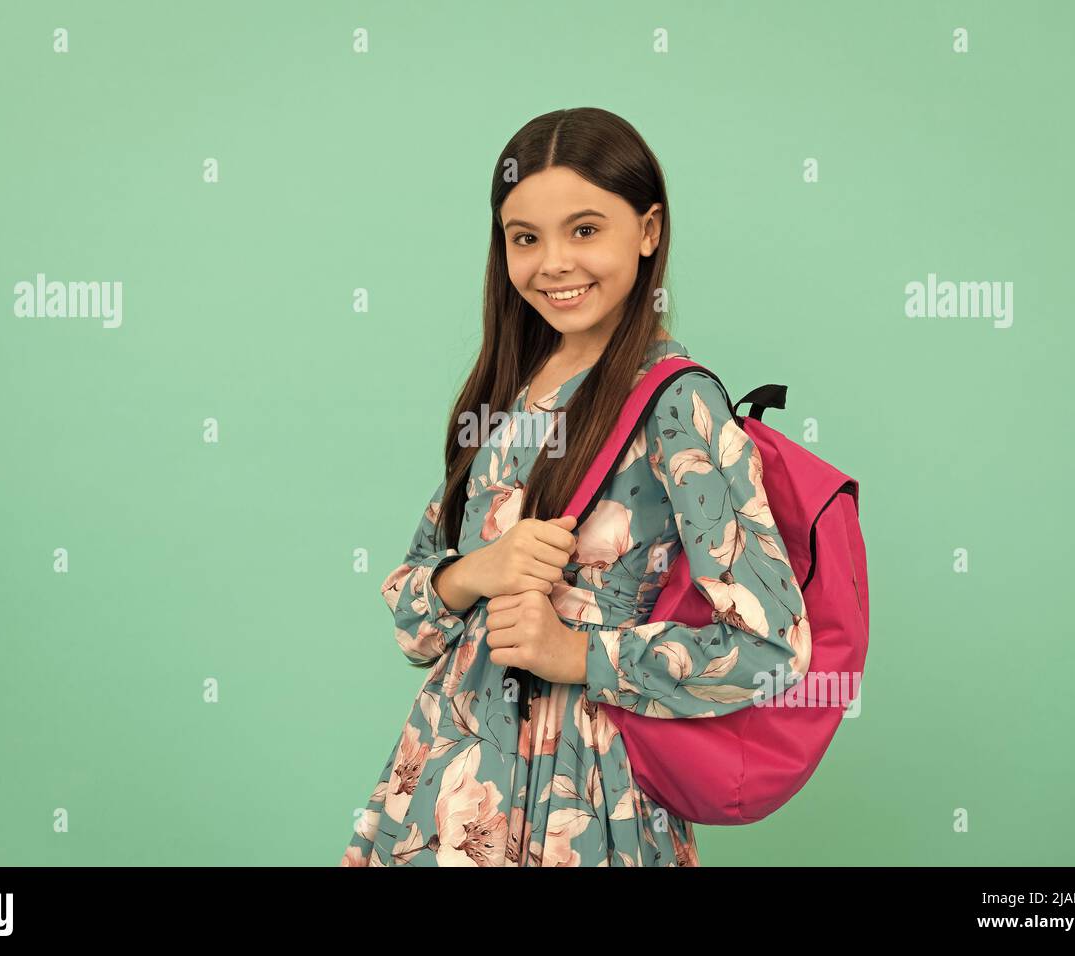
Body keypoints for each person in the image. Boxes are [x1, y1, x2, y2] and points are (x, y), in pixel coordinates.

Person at [340, 107, 807, 867]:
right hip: (447, 788)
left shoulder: (677, 404)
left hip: (582, 795)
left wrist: (577, 654)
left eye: (585, 230)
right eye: (525, 238)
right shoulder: (502, 396)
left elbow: (772, 650)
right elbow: (411, 621)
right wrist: (476, 573)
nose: (553, 262)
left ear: (648, 230)